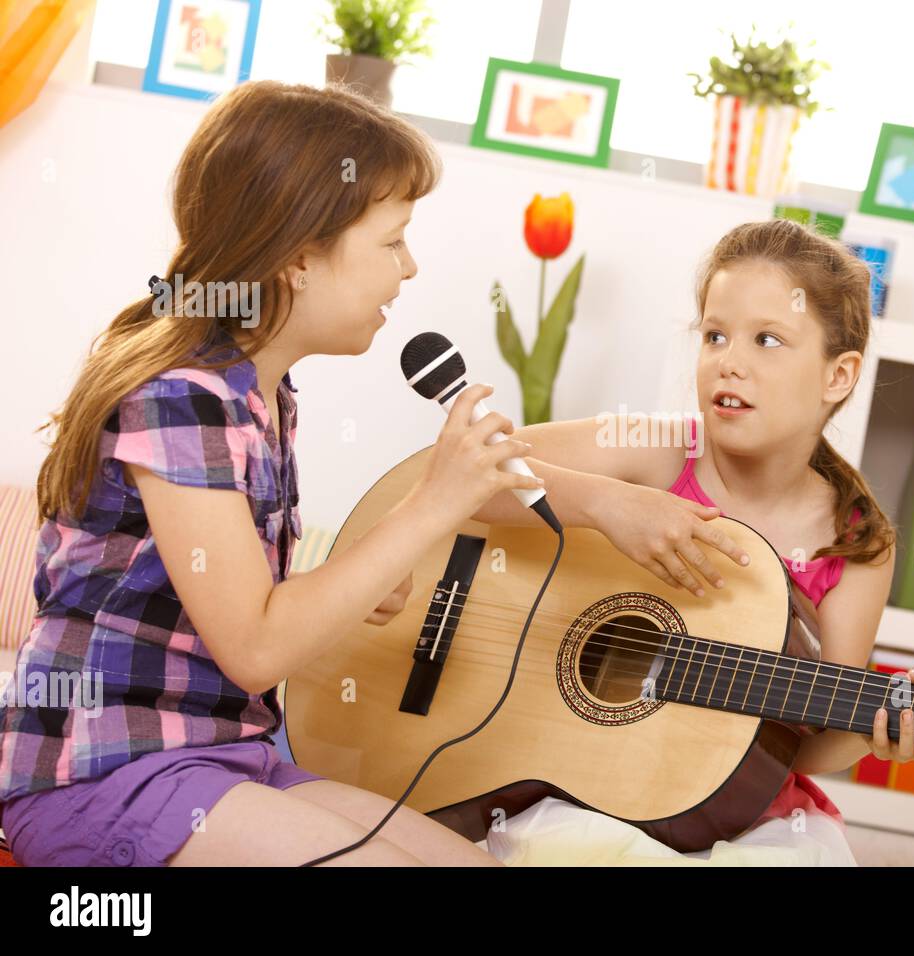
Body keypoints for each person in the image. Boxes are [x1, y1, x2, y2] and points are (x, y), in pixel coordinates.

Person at [0, 81, 553, 866]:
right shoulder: (180, 396)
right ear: (299, 258)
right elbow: (255, 649)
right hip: (104, 773)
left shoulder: (261, 393)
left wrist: (355, 580)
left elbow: (238, 606)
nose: (411, 267)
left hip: (223, 753)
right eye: (392, 241)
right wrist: (433, 503)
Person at [468, 218, 914, 865]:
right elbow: (467, 472)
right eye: (714, 335)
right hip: (583, 781)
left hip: (742, 810)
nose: (729, 360)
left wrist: (874, 736)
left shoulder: (855, 543)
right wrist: (605, 502)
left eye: (767, 339)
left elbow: (805, 741)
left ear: (838, 376)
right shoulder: (658, 451)